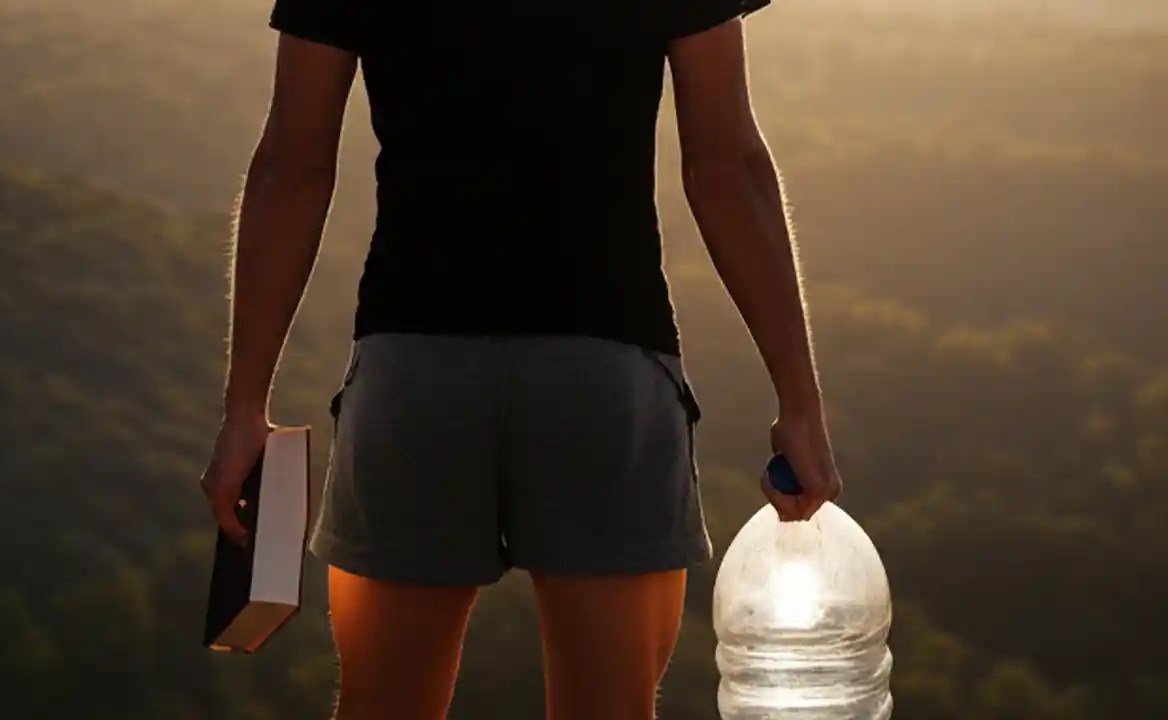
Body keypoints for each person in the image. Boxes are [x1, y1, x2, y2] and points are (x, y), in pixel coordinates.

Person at [198, 0, 844, 717]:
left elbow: (293, 166)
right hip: (603, 372)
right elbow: (726, 167)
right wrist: (800, 406)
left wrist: (244, 411)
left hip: (414, 374)